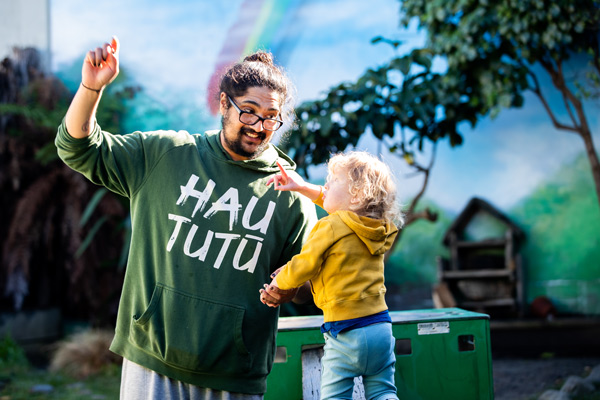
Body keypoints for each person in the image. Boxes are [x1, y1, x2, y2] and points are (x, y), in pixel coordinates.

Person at [55, 36, 317, 399]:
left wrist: (292, 287)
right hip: (152, 363)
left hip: (234, 377)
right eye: (250, 111)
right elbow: (78, 147)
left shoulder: (291, 195)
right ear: (224, 103)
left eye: (272, 117)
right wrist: (90, 88)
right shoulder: (167, 154)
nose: (259, 126)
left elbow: (312, 287)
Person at [260, 151, 402, 400]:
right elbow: (336, 202)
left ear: (357, 195)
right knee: (383, 391)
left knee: (335, 396)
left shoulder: (331, 225)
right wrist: (303, 187)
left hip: (346, 332)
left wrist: (278, 283)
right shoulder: (378, 229)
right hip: (380, 327)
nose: (325, 185)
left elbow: (304, 264)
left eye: (333, 180)